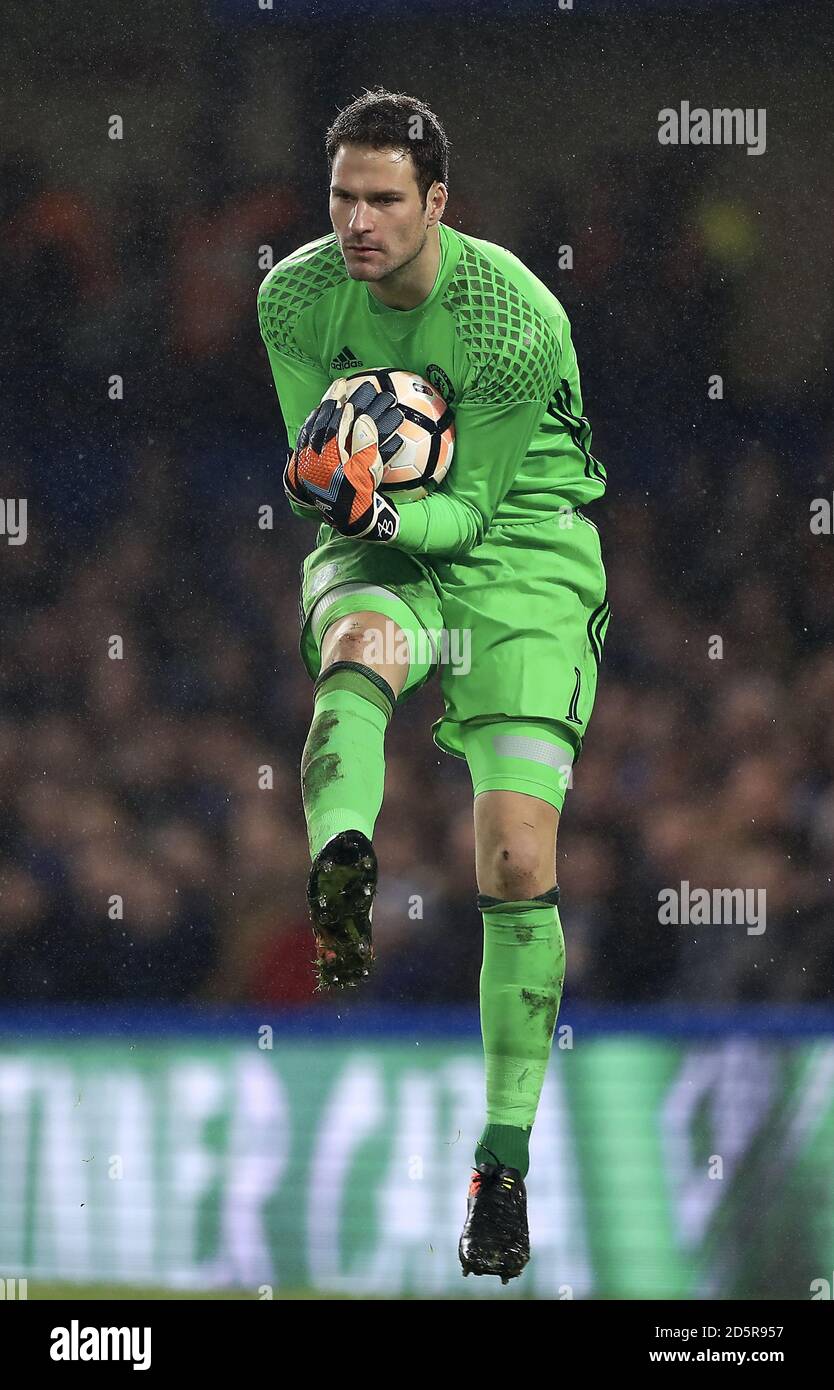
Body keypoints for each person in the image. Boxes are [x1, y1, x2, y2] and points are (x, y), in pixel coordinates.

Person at [257, 87, 609, 1285]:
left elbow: (468, 506)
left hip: (521, 541)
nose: (358, 221)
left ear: (436, 203)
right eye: (343, 196)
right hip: (384, 528)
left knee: (515, 856)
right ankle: (343, 874)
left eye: (384, 199)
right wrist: (341, 493)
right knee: (359, 650)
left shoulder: (515, 318)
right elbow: (313, 451)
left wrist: (385, 496)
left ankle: (501, 1164)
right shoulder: (294, 294)